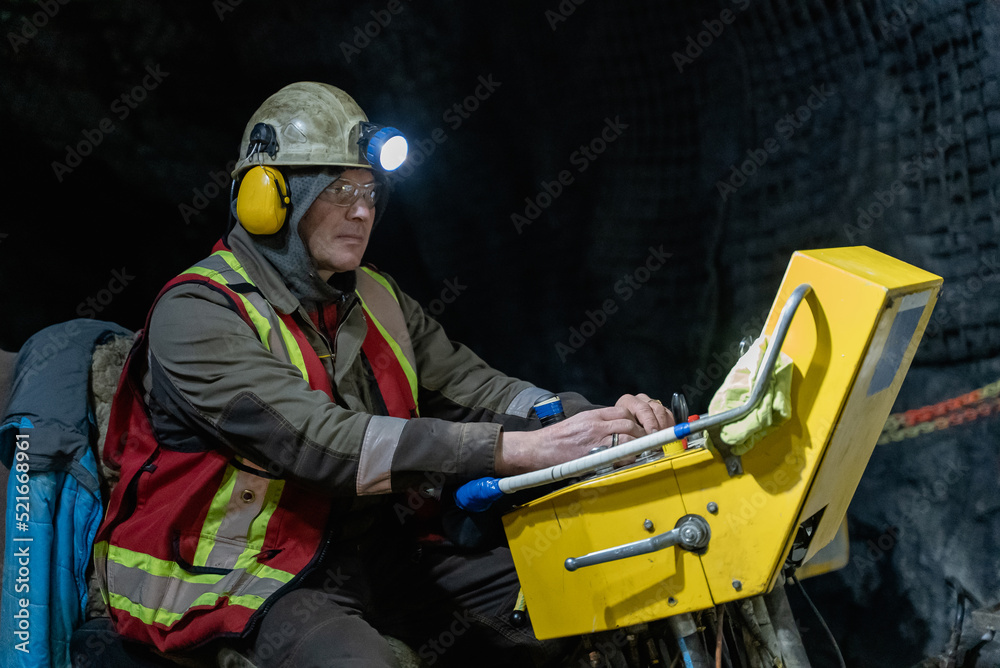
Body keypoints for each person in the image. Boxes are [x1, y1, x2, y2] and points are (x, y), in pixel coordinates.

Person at [93, 81, 673, 667]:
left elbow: (479, 390)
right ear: (267, 197)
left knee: (576, 589)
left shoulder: (375, 296)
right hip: (236, 578)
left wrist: (587, 421)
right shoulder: (198, 312)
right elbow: (318, 442)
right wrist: (518, 451)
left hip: (371, 554)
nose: (364, 210)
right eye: (340, 190)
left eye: (372, 192)